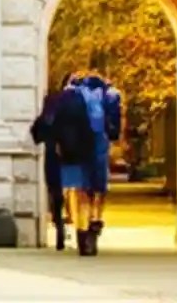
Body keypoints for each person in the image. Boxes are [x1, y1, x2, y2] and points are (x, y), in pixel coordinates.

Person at [50, 73, 96, 255]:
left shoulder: (57, 101)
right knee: (82, 194)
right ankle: (82, 234)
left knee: (69, 191)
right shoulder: (85, 100)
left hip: (64, 153)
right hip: (82, 153)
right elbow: (89, 127)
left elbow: (50, 127)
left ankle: (71, 224)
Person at [78, 73, 122, 255]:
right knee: (99, 187)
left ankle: (82, 227)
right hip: (100, 142)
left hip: (79, 145)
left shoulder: (76, 93)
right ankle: (95, 220)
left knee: (81, 187)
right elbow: (114, 124)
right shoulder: (109, 94)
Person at [31, 73, 73, 250]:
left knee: (55, 192)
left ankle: (60, 226)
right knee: (72, 191)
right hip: (72, 154)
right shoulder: (81, 102)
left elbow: (39, 128)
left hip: (54, 151)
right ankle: (75, 226)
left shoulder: (52, 101)